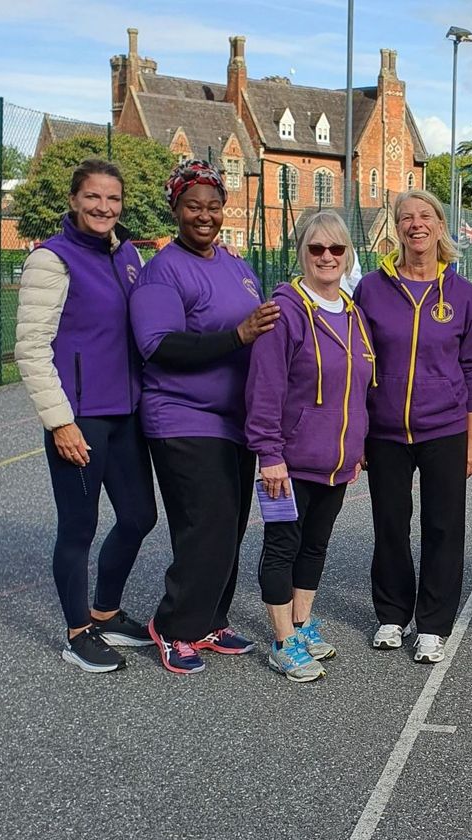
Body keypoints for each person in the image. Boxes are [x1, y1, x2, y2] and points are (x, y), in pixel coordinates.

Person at [130, 159, 280, 675]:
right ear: (176, 208)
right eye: (193, 206)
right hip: (183, 417)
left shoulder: (236, 267)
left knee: (231, 526)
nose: (205, 215)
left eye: (214, 206)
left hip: (234, 421)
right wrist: (236, 336)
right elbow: (158, 344)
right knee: (206, 526)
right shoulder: (163, 270)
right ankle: (173, 627)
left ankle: (210, 618)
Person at [14, 159, 157, 672]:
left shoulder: (127, 255)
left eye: (113, 199)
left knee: (140, 516)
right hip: (81, 417)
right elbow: (31, 348)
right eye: (93, 197)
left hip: (127, 413)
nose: (103, 207)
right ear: (74, 199)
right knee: (78, 526)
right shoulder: (52, 260)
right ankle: (77, 632)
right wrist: (60, 421)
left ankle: (106, 611)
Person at [354, 190, 472, 664]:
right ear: (397, 228)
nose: (415, 224)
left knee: (443, 527)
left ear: (439, 225)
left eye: (425, 216)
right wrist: (357, 430)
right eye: (406, 217)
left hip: (445, 428)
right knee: (390, 523)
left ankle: (432, 623)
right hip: (385, 429)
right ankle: (392, 614)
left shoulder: (463, 294)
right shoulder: (371, 288)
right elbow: (357, 361)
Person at [246, 211, 375, 681]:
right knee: (283, 544)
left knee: (315, 545)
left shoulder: (354, 314)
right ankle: (282, 640)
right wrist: (269, 454)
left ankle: (301, 622)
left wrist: (357, 444)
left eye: (336, 249)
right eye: (316, 248)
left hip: (337, 460)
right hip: (290, 461)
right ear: (301, 252)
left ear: (348, 256)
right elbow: (265, 387)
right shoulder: (285, 311)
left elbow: (360, 387)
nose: (326, 257)